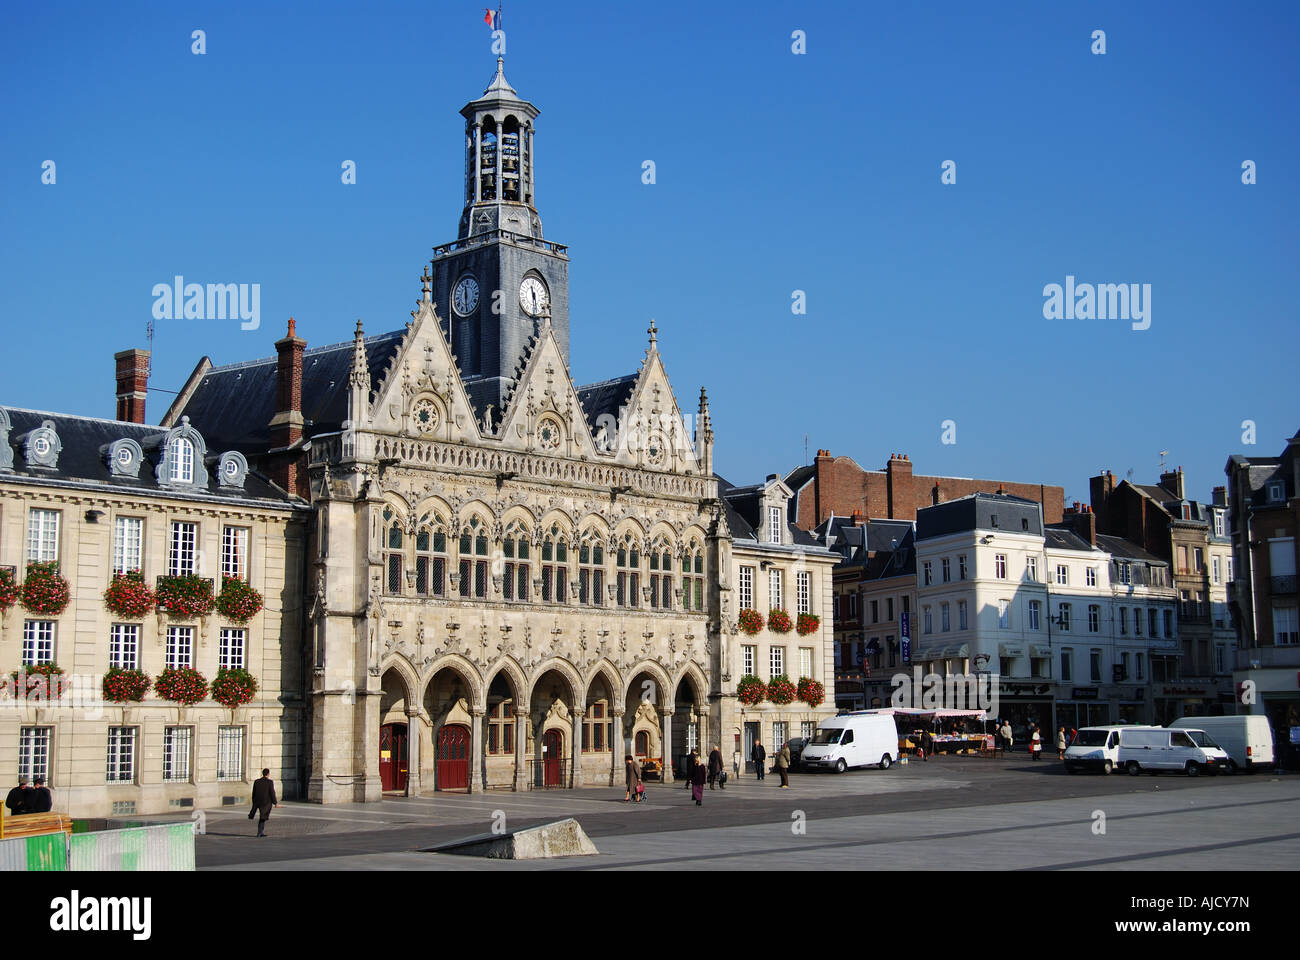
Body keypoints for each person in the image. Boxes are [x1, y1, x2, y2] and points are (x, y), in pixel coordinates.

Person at [248, 768, 278, 836]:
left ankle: (260, 832)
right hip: (265, 802)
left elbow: (254, 793)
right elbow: (272, 792)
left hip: (257, 801)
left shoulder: (256, 781)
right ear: (268, 774)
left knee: (262, 817)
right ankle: (260, 832)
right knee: (263, 817)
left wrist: (254, 801)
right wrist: (275, 802)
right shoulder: (269, 782)